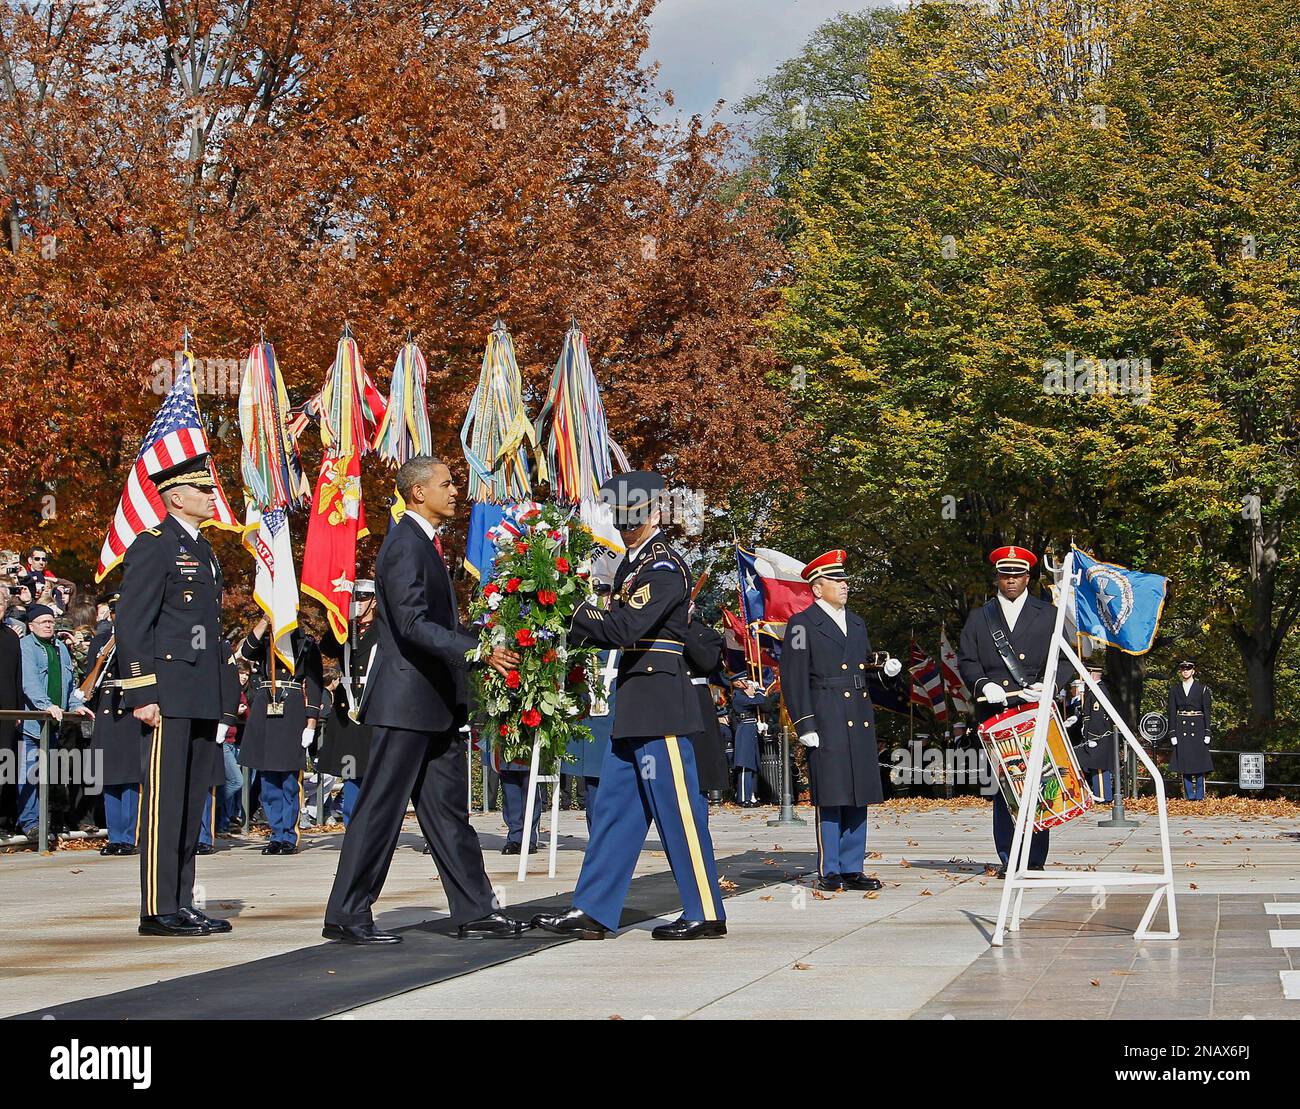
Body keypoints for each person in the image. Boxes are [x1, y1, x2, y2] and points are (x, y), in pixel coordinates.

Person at [322, 455, 527, 944]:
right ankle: (347, 914)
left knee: (447, 813)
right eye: (447, 483)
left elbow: (440, 626)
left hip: (433, 703)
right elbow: (412, 624)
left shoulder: (428, 545)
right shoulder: (404, 546)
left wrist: (491, 636)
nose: (456, 490)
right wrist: (477, 651)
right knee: (381, 810)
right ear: (418, 492)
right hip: (405, 702)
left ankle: (476, 910)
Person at [533, 470, 727, 942]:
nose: (625, 528)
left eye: (633, 519)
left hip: (661, 706)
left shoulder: (662, 566)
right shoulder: (631, 564)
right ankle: (594, 909)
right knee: (615, 813)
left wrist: (571, 608)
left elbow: (624, 630)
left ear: (656, 512)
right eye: (621, 521)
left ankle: (705, 910)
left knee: (678, 812)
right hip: (634, 706)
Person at [115, 453, 238, 937]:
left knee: (190, 804)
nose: (212, 497)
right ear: (176, 497)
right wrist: (142, 690)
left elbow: (204, 631)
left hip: (200, 693)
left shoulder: (203, 549)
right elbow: (132, 624)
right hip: (166, 693)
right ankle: (156, 907)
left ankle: (181, 900)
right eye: (204, 491)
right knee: (164, 804)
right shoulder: (155, 546)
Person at [780, 550, 890, 893]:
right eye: (836, 581)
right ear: (816, 588)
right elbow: (793, 676)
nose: (844, 586)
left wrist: (886, 672)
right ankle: (831, 868)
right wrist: (805, 723)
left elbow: (863, 667)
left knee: (858, 791)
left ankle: (853, 866)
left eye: (844, 580)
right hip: (826, 712)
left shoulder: (856, 623)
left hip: (858, 712)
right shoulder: (802, 624)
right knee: (832, 793)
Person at [957, 545, 1059, 878]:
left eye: (1017, 575)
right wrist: (983, 684)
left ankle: (1035, 857)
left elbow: (1067, 660)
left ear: (1027, 577)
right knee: (1006, 786)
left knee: (1038, 783)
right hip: (997, 712)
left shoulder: (1049, 614)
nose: (1010, 581)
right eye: (1005, 575)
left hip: (1033, 707)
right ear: (997, 578)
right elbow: (967, 660)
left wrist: (1049, 684)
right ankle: (1010, 857)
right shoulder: (979, 617)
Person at [237, 618, 324, 854]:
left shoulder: (305, 643)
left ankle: (289, 834)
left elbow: (315, 684)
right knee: (268, 778)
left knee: (288, 778)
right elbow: (245, 652)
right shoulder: (266, 640)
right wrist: (264, 622)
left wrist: (311, 722)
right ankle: (276, 833)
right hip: (266, 706)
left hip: (292, 708)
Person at [17, 605, 93, 842]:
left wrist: (74, 705)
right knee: (28, 773)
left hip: (55, 724)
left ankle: (44, 822)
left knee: (47, 776)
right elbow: (30, 682)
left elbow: (69, 684)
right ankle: (30, 822)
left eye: (51, 621)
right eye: (43, 622)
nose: (49, 625)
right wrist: (45, 705)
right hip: (34, 723)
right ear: (31, 626)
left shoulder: (60, 647)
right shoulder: (26, 646)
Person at [319, 580, 379, 826]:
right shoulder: (343, 629)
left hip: (375, 706)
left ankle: (374, 826)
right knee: (350, 773)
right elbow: (327, 647)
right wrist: (339, 616)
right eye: (354, 599)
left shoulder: (384, 628)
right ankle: (351, 823)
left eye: (362, 599)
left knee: (377, 773)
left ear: (374, 601)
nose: (357, 604)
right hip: (348, 711)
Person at [85, 615, 145, 856]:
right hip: (108, 713)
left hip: (130, 712)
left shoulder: (140, 640)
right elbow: (92, 678)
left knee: (131, 779)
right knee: (110, 778)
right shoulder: (101, 642)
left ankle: (130, 837)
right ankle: (115, 836)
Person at [568, 641, 617, 833]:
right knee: (593, 787)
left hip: (616, 722)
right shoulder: (583, 650)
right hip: (592, 724)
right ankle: (596, 834)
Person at [683, 618, 731, 806]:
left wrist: (683, 629)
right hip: (666, 699)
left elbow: (706, 662)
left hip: (696, 700)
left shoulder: (706, 634)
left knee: (699, 768)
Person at [1168, 659, 1212, 800]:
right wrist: (1173, 732)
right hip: (1182, 727)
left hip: (1198, 727)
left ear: (1193, 671)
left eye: (1188, 669)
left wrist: (1207, 731)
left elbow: (1207, 711)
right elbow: (1171, 712)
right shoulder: (1175, 689)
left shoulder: (1202, 688)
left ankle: (1199, 795)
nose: (1185, 671)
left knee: (1199, 763)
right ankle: (1189, 795)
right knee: (1185, 763)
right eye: (1183, 669)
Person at [1074, 663, 1115, 802]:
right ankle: (1100, 794)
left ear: (1091, 673)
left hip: (1097, 735)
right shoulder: (1093, 689)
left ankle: (1103, 795)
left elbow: (1097, 716)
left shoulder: (1099, 690)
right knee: (1093, 765)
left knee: (1098, 766)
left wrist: (1093, 736)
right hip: (1092, 734)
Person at [729, 673, 766, 806]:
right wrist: (760, 691)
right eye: (744, 681)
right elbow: (758, 701)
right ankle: (743, 797)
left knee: (752, 764)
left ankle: (751, 796)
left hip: (750, 729)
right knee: (745, 764)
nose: (748, 683)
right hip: (744, 731)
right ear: (738, 684)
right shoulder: (738, 697)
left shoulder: (744, 696)